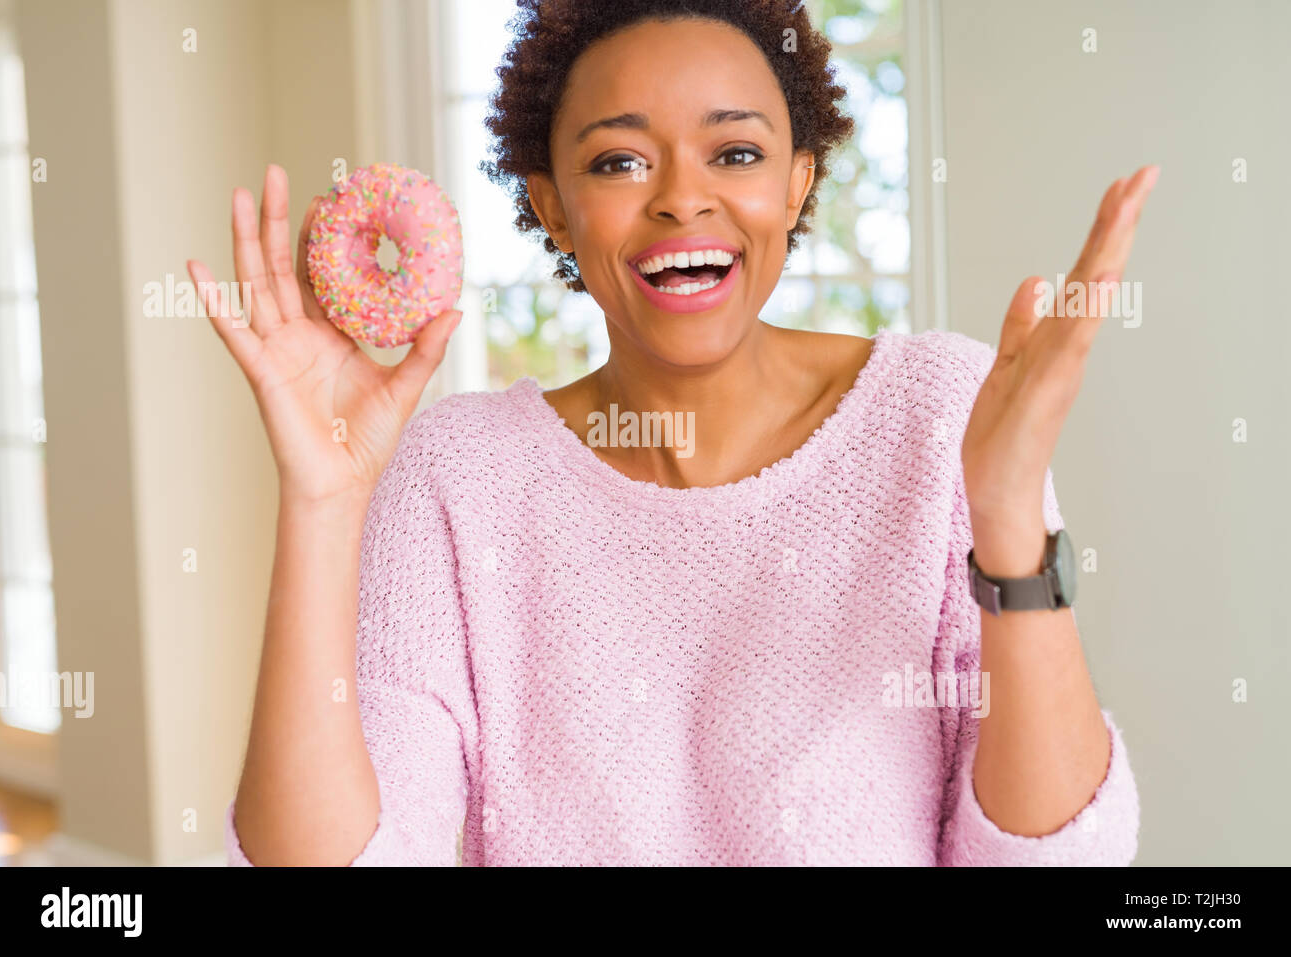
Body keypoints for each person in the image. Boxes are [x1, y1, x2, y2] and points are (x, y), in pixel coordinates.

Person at [189, 0, 1153, 866]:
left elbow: (1057, 865)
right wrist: (323, 500)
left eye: (735, 153)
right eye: (620, 160)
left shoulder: (939, 414)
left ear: (794, 183)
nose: (682, 198)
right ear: (553, 207)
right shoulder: (461, 477)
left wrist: (1009, 505)